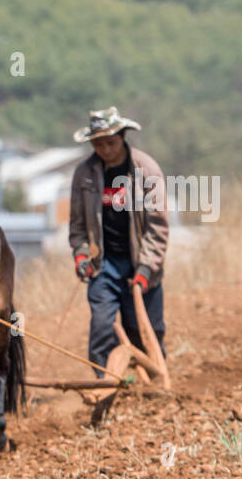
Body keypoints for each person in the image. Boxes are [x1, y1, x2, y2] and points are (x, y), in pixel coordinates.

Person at [68, 106, 169, 372]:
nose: (106, 149)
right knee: (102, 330)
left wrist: (146, 268)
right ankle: (105, 385)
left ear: (123, 137)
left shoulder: (146, 170)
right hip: (104, 266)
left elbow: (158, 227)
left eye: (111, 142)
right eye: (98, 144)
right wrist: (81, 256)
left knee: (145, 330)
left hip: (140, 265)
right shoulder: (84, 175)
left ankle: (151, 380)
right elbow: (77, 226)